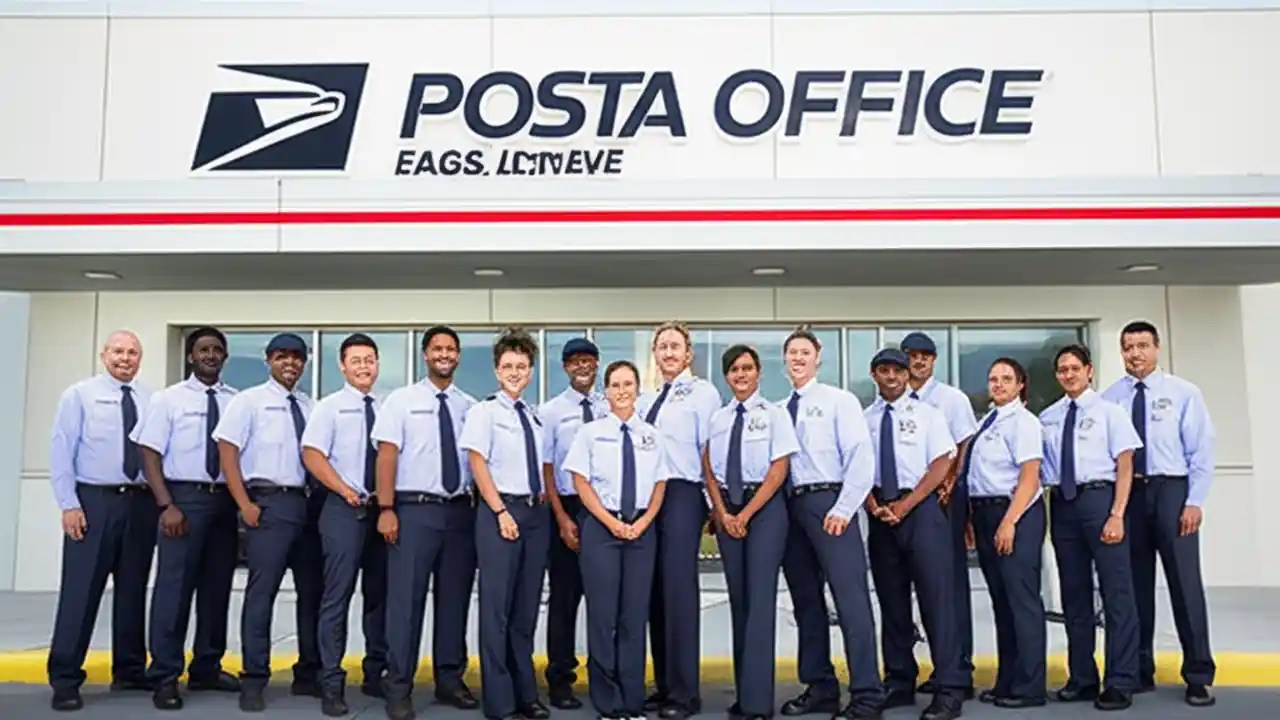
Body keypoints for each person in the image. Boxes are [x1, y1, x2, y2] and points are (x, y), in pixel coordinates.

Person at [1101, 320, 1216, 707]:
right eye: (1128, 346)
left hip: (1172, 491)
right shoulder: (1110, 398)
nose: (1135, 353)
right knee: (1133, 587)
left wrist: (1194, 501)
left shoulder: (1183, 393)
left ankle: (1198, 674)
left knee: (1185, 584)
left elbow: (1200, 451)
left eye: (1142, 345)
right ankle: (1138, 668)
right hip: (1129, 496)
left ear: (1157, 347)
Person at [775, 327, 886, 720]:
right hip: (790, 508)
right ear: (784, 359)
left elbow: (860, 456)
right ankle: (820, 686)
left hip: (830, 501)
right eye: (792, 352)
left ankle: (867, 694)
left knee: (851, 601)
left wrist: (844, 508)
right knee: (806, 602)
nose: (798, 358)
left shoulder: (839, 401)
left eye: (805, 352)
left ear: (817, 358)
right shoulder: (777, 408)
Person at [373, 326, 481, 720]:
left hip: (459, 513)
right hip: (413, 511)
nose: (444, 354)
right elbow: (386, 455)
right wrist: (386, 508)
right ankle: (398, 687)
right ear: (425, 354)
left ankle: (449, 680)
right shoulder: (402, 400)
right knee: (406, 604)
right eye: (437, 348)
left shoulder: (470, 406)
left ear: (458, 356)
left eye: (450, 348)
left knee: (454, 602)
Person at [47, 330, 155, 712]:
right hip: (94, 501)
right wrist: (68, 504)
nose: (125, 358)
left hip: (140, 505)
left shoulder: (149, 398)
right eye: (118, 351)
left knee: (132, 591)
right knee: (81, 592)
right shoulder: (80, 395)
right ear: (103, 354)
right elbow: (62, 449)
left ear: (140, 358)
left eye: (133, 352)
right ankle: (65, 678)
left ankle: (129, 669)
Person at [213, 332, 322, 712]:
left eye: (296, 357)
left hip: (308, 508)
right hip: (268, 504)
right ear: (268, 360)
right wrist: (244, 503)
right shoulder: (248, 402)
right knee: (262, 594)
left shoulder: (311, 406)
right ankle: (254, 678)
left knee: (313, 594)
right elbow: (227, 452)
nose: (290, 363)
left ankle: (308, 674)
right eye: (282, 357)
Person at [136, 327, 240, 710]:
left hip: (224, 504)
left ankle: (207, 667)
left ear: (224, 357)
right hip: (184, 499)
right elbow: (149, 454)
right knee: (174, 590)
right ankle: (164, 675)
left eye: (217, 350)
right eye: (203, 350)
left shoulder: (236, 401)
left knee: (216, 589)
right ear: (191, 357)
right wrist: (166, 505)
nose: (210, 355)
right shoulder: (168, 400)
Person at [563, 359, 670, 720]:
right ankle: (607, 703)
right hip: (601, 530)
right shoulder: (590, 433)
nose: (622, 391)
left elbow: (660, 485)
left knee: (633, 616)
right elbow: (581, 482)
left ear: (638, 389)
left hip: (641, 530)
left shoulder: (652, 435)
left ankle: (632, 700)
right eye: (615, 385)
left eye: (628, 384)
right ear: (605, 392)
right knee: (603, 616)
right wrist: (610, 521)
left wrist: (643, 523)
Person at [862, 348, 965, 720]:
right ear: (875, 375)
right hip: (880, 514)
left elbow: (942, 462)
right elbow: (859, 465)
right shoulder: (866, 418)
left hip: (919, 512)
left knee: (936, 601)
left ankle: (950, 687)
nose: (891, 377)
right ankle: (899, 680)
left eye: (897, 371)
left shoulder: (928, 415)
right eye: (883, 370)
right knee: (892, 602)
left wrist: (906, 506)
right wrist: (872, 504)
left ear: (907, 376)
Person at [1041, 345, 1141, 711]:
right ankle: (1082, 677)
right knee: (1074, 594)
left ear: (1089, 370)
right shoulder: (1048, 416)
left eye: (1074, 368)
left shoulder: (1110, 413)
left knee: (1116, 593)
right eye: (1062, 370)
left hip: (1101, 501)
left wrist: (1117, 514)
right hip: (1063, 505)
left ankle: (1121, 679)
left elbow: (1125, 465)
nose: (1068, 375)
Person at [460, 328, 552, 720]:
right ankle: (499, 702)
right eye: (508, 366)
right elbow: (477, 462)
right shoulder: (485, 412)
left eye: (522, 366)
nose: (515, 372)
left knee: (526, 609)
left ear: (530, 372)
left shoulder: (534, 417)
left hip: (535, 515)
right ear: (497, 371)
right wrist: (499, 511)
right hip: (502, 512)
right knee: (497, 610)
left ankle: (525, 693)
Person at [704, 344, 799, 720]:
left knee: (759, 604)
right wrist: (723, 512)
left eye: (747, 368)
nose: (741, 375)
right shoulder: (718, 418)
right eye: (734, 370)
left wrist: (746, 512)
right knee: (739, 602)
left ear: (759, 373)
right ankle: (743, 695)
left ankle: (758, 704)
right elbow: (708, 468)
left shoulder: (774, 414)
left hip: (764, 511)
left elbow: (779, 469)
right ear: (726, 377)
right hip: (728, 511)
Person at [300, 333, 388, 716]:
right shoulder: (329, 407)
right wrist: (345, 489)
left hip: (380, 512)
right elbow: (312, 454)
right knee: (336, 597)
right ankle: (331, 682)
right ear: (342, 365)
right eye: (356, 360)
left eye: (370, 359)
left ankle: (375, 672)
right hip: (342, 511)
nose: (364, 366)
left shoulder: (387, 407)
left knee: (380, 596)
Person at [638, 321, 722, 719]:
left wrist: (712, 504)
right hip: (647, 498)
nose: (669, 352)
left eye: (676, 346)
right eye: (662, 346)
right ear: (655, 354)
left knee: (678, 591)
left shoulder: (702, 393)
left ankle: (686, 694)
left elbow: (710, 449)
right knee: (654, 591)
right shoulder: (646, 398)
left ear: (688, 354)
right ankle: (666, 684)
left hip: (683, 494)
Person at [960, 357, 1046, 708]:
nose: (998, 384)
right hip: (985, 513)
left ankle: (1030, 686)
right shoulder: (988, 422)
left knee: (1022, 601)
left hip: (1015, 512)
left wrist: (1009, 521)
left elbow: (1029, 477)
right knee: (1003, 603)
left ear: (1020, 384)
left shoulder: (1024, 423)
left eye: (1006, 379)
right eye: (993, 379)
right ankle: (1008, 679)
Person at [898, 332, 979, 699]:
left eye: (926, 356)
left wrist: (950, 481)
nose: (919, 362)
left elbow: (962, 444)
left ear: (934, 360)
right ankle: (933, 665)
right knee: (919, 585)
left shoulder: (951, 399)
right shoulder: (895, 400)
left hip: (943, 496)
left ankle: (958, 665)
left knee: (948, 584)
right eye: (913, 356)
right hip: (905, 500)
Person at [540, 337, 610, 709]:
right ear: (565, 367)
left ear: (597, 365)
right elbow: (547, 469)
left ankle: (604, 676)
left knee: (604, 599)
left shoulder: (609, 405)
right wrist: (562, 518)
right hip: (566, 506)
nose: (583, 367)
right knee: (565, 600)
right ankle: (560, 679)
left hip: (604, 507)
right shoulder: (551, 411)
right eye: (575, 361)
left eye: (589, 360)